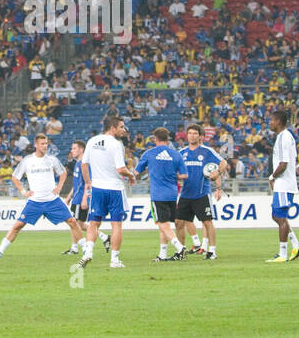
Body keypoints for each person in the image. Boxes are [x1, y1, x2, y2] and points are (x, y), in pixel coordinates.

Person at [0, 135, 85, 258]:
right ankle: (0, 251)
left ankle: (86, 250)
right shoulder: (27, 160)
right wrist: (23, 191)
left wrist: (59, 187)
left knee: (72, 222)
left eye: (46, 143)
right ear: (36, 145)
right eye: (42, 144)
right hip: (35, 202)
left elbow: (63, 173)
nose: (45, 146)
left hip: (52, 200)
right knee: (17, 226)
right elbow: (15, 177)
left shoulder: (52, 160)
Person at [79, 115, 136, 269]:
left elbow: (84, 165)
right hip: (115, 189)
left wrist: (88, 182)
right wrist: (131, 175)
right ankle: (114, 260)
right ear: (112, 128)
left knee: (93, 223)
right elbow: (120, 169)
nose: (124, 130)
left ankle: (88, 252)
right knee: (116, 225)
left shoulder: (92, 141)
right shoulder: (116, 145)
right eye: (121, 127)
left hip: (97, 188)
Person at [135, 127, 188, 262]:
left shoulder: (149, 153)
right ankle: (162, 254)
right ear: (168, 139)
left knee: (161, 223)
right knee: (165, 224)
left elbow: (136, 172)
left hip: (158, 194)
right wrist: (174, 175)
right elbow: (185, 175)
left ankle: (180, 247)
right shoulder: (176, 155)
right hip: (172, 193)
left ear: (155, 139)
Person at [176, 124, 225, 259]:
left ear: (199, 136)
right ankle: (181, 252)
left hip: (202, 193)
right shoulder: (181, 153)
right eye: (190, 133)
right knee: (179, 222)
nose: (192, 136)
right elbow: (175, 169)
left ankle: (212, 251)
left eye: (194, 133)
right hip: (185, 194)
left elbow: (223, 163)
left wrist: (217, 172)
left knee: (207, 222)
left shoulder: (207, 151)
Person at [265, 109, 299, 263]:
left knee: (279, 216)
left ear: (278, 122)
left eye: (272, 120)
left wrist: (272, 176)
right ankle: (296, 245)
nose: (270, 123)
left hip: (284, 183)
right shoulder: (284, 136)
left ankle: (283, 253)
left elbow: (284, 163)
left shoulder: (283, 137)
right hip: (285, 183)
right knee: (277, 215)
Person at [63, 140, 108, 254]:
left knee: (77, 224)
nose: (71, 151)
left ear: (81, 149)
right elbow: (77, 184)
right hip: (76, 198)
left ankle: (101, 237)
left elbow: (88, 183)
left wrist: (85, 199)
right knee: (76, 223)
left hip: (80, 199)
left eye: (74, 148)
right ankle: (76, 246)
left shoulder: (84, 164)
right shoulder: (78, 164)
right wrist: (69, 197)